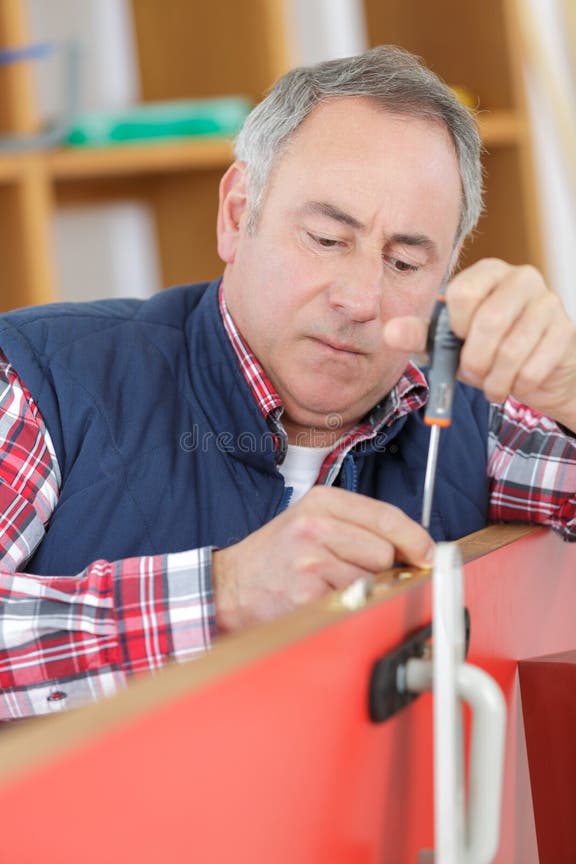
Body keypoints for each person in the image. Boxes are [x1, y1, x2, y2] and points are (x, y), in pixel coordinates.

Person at [1, 45, 576, 720]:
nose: (361, 298)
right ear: (238, 213)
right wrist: (225, 593)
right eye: (328, 240)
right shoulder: (43, 380)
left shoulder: (473, 415)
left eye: (405, 262)